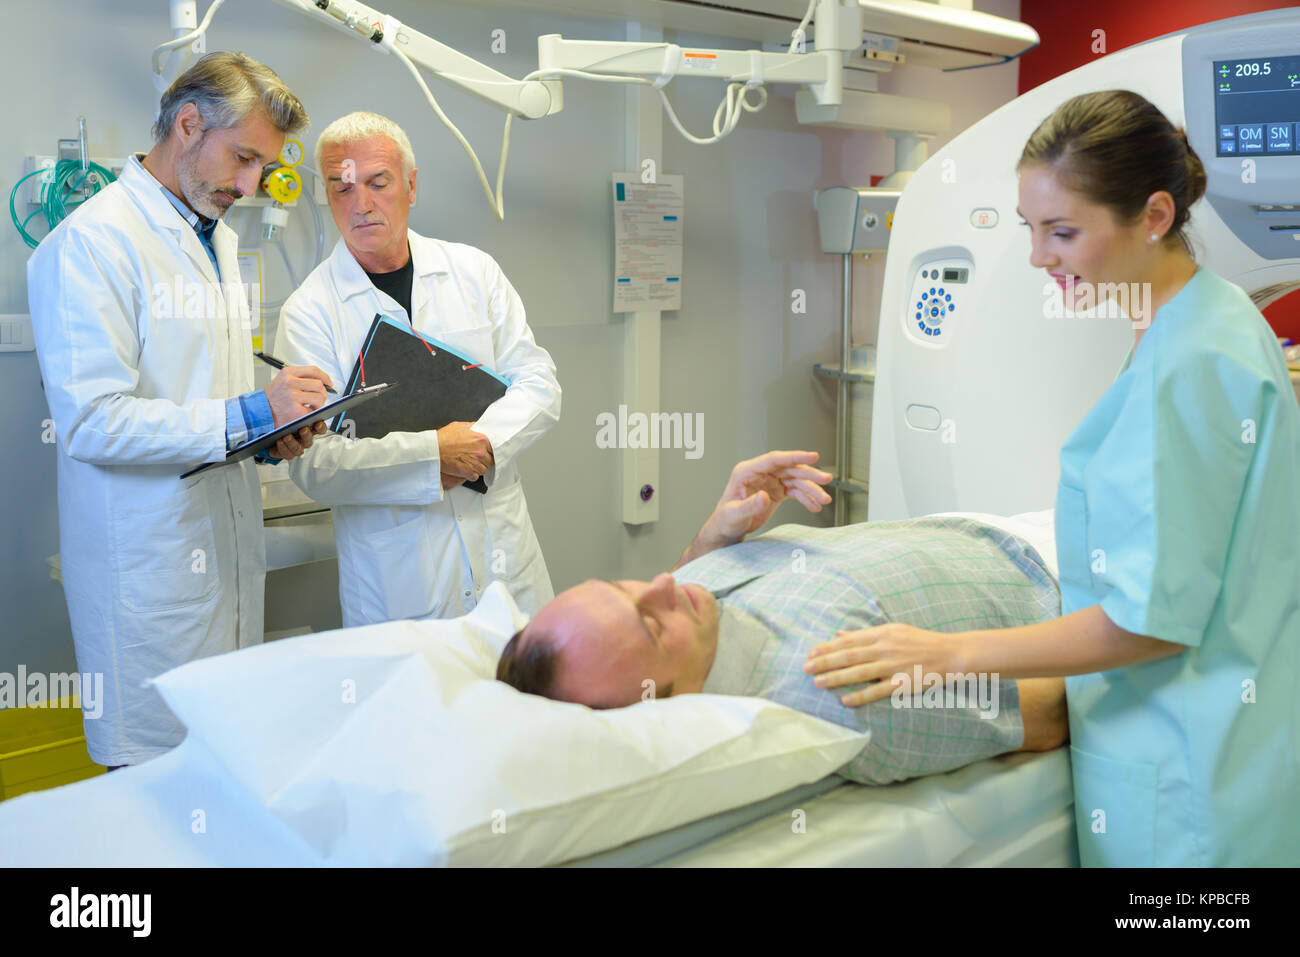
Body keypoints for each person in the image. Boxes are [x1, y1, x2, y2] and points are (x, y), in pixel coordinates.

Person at [806, 91, 1300, 866]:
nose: (1039, 257)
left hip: (1189, 793)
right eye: (1029, 229)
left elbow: (1151, 620)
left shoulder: (1190, 364)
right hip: (1227, 754)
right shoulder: (1217, 315)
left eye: (1063, 231)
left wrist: (947, 654)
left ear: (1156, 214)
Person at [27, 52, 334, 769]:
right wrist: (252, 412)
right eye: (245, 158)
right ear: (188, 124)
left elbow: (207, 392)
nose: (253, 184)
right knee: (155, 791)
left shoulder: (217, 239)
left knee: (225, 769)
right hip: (149, 574)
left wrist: (269, 435)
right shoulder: (91, 246)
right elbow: (93, 421)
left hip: (225, 556)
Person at [496, 451, 1070, 786]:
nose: (667, 584)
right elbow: (1048, 716)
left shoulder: (687, 609)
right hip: (1066, 580)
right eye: (650, 624)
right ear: (662, 704)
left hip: (986, 524)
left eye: (628, 587)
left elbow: (668, 595)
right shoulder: (835, 693)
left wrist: (715, 536)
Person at [275, 112, 560, 627]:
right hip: (399, 583)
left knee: (523, 698)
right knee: (414, 704)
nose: (360, 203)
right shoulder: (310, 311)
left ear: (411, 185)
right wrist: (433, 454)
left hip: (504, 561)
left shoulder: (474, 273)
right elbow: (315, 463)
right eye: (341, 189)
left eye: (378, 183)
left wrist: (481, 445)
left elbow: (537, 382)